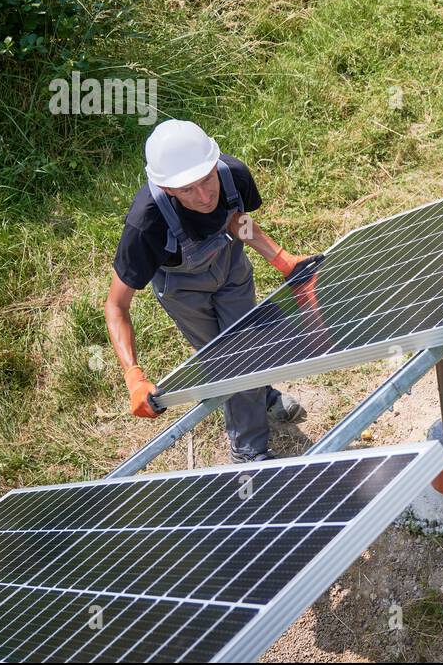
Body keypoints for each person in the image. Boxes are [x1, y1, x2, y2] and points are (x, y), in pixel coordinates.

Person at [105, 119, 311, 463]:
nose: (203, 197)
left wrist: (282, 259)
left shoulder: (233, 174)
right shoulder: (146, 224)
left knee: (246, 348)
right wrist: (133, 376)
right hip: (182, 290)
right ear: (168, 188)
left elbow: (235, 219)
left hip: (231, 268)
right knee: (226, 361)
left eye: (206, 181)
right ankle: (249, 453)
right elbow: (115, 306)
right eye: (187, 190)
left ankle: (255, 416)